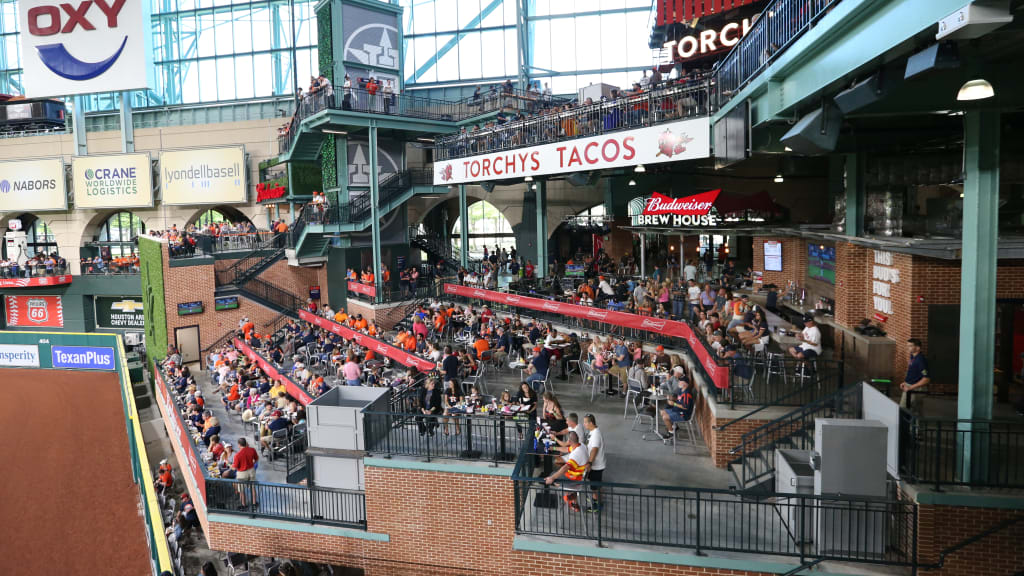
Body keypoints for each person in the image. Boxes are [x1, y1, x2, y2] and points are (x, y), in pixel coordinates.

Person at [543, 431, 588, 511]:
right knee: (557, 471)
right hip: (580, 474)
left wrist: (552, 478)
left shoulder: (576, 454)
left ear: (569, 441)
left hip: (575, 479)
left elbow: (565, 468)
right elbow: (567, 449)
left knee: (553, 476)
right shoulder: (581, 445)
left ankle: (570, 496)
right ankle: (571, 496)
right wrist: (553, 448)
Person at [582, 414, 606, 511]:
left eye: (585, 422)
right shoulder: (592, 431)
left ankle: (597, 505)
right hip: (595, 465)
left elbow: (594, 450)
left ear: (591, 423)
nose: (584, 424)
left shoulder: (596, 434)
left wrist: (589, 463)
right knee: (596, 484)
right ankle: (596, 498)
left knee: (595, 487)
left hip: (597, 466)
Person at [899, 338, 930, 410]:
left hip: (916, 388)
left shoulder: (920, 360)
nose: (908, 348)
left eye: (910, 346)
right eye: (908, 346)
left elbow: (926, 379)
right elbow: (913, 373)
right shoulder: (912, 356)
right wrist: (906, 382)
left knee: (905, 409)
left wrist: (910, 387)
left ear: (918, 348)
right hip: (909, 385)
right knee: (916, 410)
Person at [660, 376, 695, 440]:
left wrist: (674, 404)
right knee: (662, 412)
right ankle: (674, 427)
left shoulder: (686, 394)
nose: (678, 382)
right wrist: (672, 398)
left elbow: (685, 407)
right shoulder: (681, 390)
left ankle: (671, 433)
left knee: (665, 417)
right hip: (677, 410)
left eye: (680, 381)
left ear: (684, 383)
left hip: (683, 414)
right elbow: (679, 399)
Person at [232, 438, 259, 508]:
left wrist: (230, 466)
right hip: (251, 470)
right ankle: (254, 503)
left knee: (241, 490)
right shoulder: (252, 450)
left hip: (242, 473)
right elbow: (256, 459)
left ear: (239, 445)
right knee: (253, 488)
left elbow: (235, 467)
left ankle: (243, 505)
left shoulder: (237, 455)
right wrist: (252, 463)